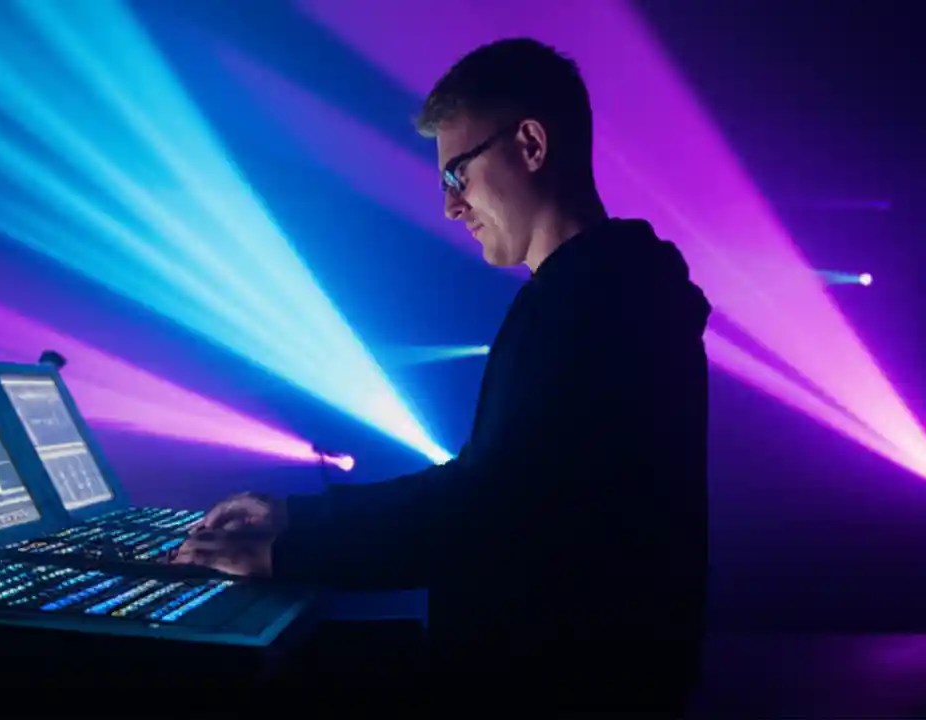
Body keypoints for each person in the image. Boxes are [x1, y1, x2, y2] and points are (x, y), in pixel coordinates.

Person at [174, 37, 710, 711]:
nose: (452, 207)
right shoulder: (610, 286)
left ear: (531, 145)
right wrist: (296, 514)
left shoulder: (589, 302)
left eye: (457, 174)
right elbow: (497, 487)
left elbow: (490, 513)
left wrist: (288, 552)